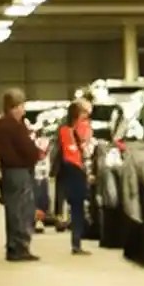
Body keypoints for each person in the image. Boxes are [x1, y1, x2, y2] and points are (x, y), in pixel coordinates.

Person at [0, 89, 41, 262]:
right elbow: (26, 147)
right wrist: (34, 154)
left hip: (10, 171)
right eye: (21, 106)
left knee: (14, 209)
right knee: (20, 210)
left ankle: (14, 246)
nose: (23, 111)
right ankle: (19, 247)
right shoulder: (13, 126)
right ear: (14, 107)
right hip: (18, 171)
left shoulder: (1, 125)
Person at [55, 102, 93, 256]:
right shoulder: (75, 129)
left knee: (76, 207)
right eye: (83, 112)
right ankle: (76, 243)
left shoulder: (64, 130)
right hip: (75, 169)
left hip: (72, 170)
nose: (86, 115)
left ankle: (76, 242)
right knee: (77, 207)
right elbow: (78, 149)